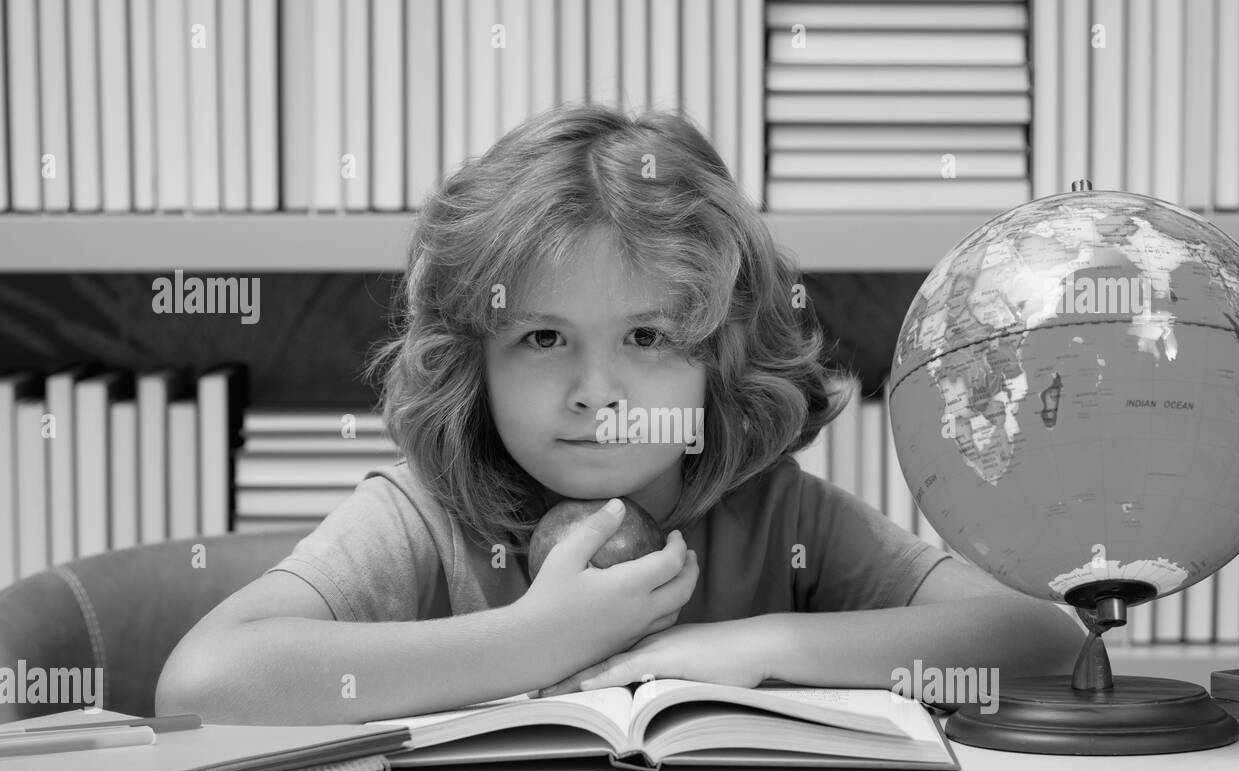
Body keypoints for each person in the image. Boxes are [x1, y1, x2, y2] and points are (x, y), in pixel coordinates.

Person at [156, 104, 1083, 725]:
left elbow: (1044, 640)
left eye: (645, 337)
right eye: (544, 339)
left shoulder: (780, 515)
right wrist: (531, 641)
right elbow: (202, 684)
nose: (596, 393)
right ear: (473, 357)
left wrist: (748, 648)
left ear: (718, 353)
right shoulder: (422, 515)